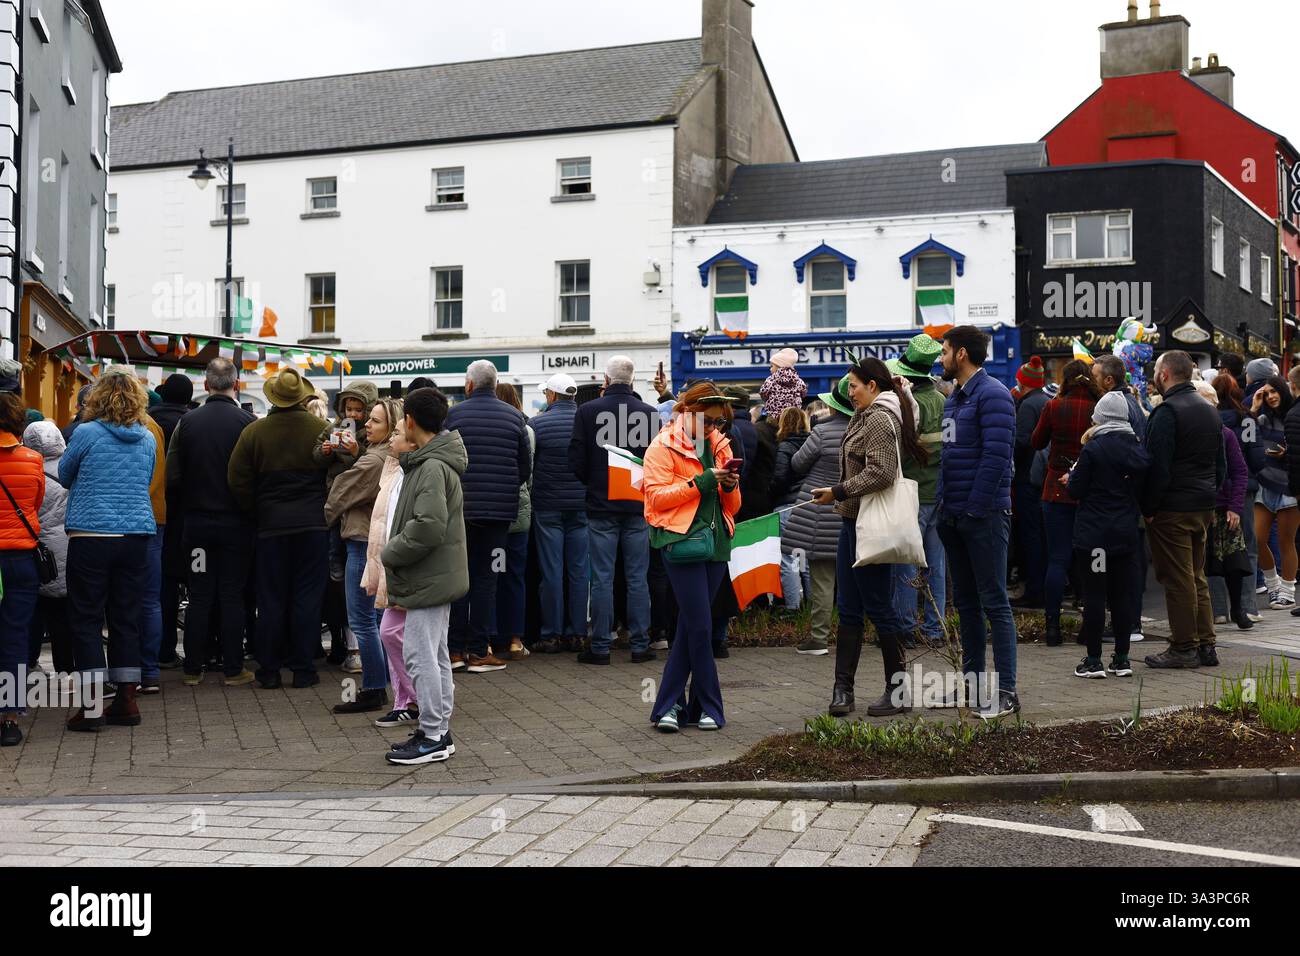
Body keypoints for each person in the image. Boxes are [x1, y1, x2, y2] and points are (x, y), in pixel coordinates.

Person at [812, 358, 924, 717]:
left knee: (877, 607)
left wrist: (838, 491)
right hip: (854, 525)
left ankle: (898, 691)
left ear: (873, 386)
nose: (850, 391)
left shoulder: (877, 418)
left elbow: (883, 473)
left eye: (854, 385)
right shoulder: (866, 414)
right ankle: (842, 689)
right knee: (849, 608)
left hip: (869, 526)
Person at [61, 370, 157, 731]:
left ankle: (90, 707)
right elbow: (146, 479)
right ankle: (127, 700)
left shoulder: (85, 433)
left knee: (86, 617)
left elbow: (66, 474)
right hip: (135, 536)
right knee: (126, 617)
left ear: (98, 397)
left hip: (91, 534)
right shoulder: (147, 438)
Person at [644, 382, 741, 732]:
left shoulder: (719, 445)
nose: (714, 427)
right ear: (687, 412)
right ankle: (711, 707)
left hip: (715, 544)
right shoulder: (661, 446)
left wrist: (729, 485)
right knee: (700, 626)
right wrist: (702, 482)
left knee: (690, 627)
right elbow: (655, 500)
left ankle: (671, 706)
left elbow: (734, 505)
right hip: (680, 542)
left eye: (718, 422)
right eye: (708, 420)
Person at [228, 367, 331, 689]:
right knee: (307, 598)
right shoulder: (321, 429)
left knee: (270, 599)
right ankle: (303, 669)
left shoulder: (255, 433)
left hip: (271, 526)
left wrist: (256, 511)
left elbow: (237, 480)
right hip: (313, 525)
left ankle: (268, 670)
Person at [381, 387, 469, 765]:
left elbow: (428, 526)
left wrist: (390, 551)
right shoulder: (431, 461)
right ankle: (437, 731)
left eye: (402, 418)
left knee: (420, 655)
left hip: (429, 576)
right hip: (435, 575)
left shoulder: (431, 466)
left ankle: (433, 735)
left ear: (411, 421)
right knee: (433, 654)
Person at [936, 326, 1019, 718]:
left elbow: (997, 457)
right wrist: (945, 507)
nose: (941, 358)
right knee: (967, 604)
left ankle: (1007, 692)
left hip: (983, 517)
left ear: (962, 354)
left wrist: (973, 509)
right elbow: (950, 457)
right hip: (954, 515)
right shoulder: (955, 399)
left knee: (995, 603)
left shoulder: (994, 395)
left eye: (945, 351)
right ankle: (971, 686)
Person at [167, 358, 257, 687]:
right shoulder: (248, 422)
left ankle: (193, 668)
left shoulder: (187, 423)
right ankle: (234, 669)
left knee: (200, 594)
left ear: (206, 385)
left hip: (198, 526)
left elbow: (172, 475)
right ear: (236, 384)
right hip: (236, 526)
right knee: (232, 593)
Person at [569, 356, 659, 663]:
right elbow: (657, 463)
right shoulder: (649, 414)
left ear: (605, 382)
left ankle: (601, 646)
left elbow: (576, 461)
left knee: (603, 578)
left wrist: (594, 482)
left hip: (601, 505)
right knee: (638, 577)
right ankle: (639, 645)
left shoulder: (587, 411)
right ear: (633, 381)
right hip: (637, 505)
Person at [443, 360, 530, 673]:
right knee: (487, 580)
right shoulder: (515, 417)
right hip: (499, 517)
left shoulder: (451, 416)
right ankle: (480, 651)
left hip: (459, 514)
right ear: (495, 385)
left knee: (458, 578)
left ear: (469, 385)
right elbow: (525, 467)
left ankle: (454, 651)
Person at [1141, 351, 1226, 669]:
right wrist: (1209, 493)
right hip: (1202, 503)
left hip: (1172, 507)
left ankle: (1183, 647)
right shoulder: (1209, 410)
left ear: (1164, 375)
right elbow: (1221, 465)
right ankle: (1206, 645)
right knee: (1196, 575)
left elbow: (1157, 468)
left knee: (1178, 579)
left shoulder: (1166, 412)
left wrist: (1149, 507)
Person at [1065, 391, 1151, 679]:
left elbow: (1076, 489)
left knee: (1094, 595)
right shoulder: (1136, 447)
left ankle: (1093, 660)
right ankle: (1123, 658)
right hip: (1124, 533)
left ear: (1101, 418)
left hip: (1094, 536)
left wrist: (1072, 475)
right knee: (1121, 595)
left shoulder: (1094, 448)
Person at [326, 396, 403, 713]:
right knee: (375, 617)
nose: (366, 424)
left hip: (361, 541)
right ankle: (384, 682)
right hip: (375, 540)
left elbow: (339, 493)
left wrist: (329, 512)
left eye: (374, 420)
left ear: (390, 427)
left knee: (362, 620)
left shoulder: (374, 460)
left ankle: (373, 688)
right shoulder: (390, 456)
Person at [1030, 359, 1099, 646]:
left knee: (1057, 559)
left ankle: (1053, 628)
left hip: (1056, 489)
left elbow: (1036, 442)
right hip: (1090, 489)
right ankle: (1088, 628)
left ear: (1065, 380)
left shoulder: (1053, 406)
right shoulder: (1099, 407)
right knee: (1089, 560)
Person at [783, 377, 852, 655]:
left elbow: (797, 463)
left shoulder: (822, 433)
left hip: (821, 514)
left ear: (834, 407)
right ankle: (856, 634)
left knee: (822, 579)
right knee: (856, 580)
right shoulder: (864, 430)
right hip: (853, 511)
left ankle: (819, 639)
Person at [886, 333, 946, 646]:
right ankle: (936, 631)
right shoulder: (943, 401)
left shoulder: (902, 404)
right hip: (938, 492)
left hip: (910, 494)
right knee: (936, 566)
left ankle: (905, 629)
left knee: (906, 565)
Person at [364, 411, 419, 728]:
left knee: (390, 631)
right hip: (389, 561)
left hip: (400, 565)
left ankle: (420, 699)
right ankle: (407, 701)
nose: (368, 425)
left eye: (395, 432)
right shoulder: (392, 467)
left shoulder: (410, 474)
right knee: (390, 630)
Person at [529, 373, 591, 655]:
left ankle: (551, 634)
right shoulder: (588, 423)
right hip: (582, 505)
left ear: (552, 396)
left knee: (551, 573)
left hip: (548, 505)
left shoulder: (537, 424)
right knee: (579, 572)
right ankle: (577, 633)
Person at [0, 393, 46, 746]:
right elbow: (34, 504)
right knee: (15, 638)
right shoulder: (33, 461)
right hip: (19, 559)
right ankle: (10, 716)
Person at [1194, 381, 1253, 635]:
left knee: (1234, 561)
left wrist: (1235, 507)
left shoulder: (1226, 434)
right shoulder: (1190, 433)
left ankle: (1239, 609)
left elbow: (1240, 471)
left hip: (1224, 506)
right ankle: (1215, 611)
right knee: (1204, 564)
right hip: (1198, 507)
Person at [22, 422, 73, 677]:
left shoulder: (27, 469)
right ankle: (67, 670)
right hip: (67, 548)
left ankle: (29, 663)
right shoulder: (71, 469)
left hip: (36, 550)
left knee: (33, 612)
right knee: (63, 616)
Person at [1210, 373, 1261, 625]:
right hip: (1244, 489)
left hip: (1212, 495)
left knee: (1212, 552)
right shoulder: (1246, 419)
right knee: (1245, 549)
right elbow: (1256, 458)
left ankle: (1219, 610)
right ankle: (1248, 606)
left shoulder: (1209, 422)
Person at [150, 374, 192, 669]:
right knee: (198, 582)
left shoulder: (147, 422)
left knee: (159, 587)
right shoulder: (192, 422)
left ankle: (161, 649)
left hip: (154, 512)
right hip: (189, 515)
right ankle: (200, 651)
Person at [1245, 375, 1297, 610]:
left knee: (1287, 541)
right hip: (1264, 484)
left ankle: (1287, 590)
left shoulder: (1293, 416)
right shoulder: (1261, 419)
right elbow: (1245, 438)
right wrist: (1253, 408)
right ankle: (1273, 585)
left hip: (1289, 487)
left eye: (1274, 391)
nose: (1271, 396)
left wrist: (1285, 455)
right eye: (1266, 394)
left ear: (1284, 390)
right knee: (1257, 538)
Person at [492, 382, 534, 661]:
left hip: (491, 517)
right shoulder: (525, 429)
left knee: (491, 575)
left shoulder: (490, 426)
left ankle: (492, 637)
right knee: (516, 577)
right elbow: (527, 471)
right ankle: (516, 639)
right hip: (519, 512)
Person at [1011, 356, 1049, 610]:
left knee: (1030, 536)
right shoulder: (1045, 401)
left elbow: (1022, 442)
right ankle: (1039, 586)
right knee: (1041, 536)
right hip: (1042, 478)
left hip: (1026, 479)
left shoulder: (1027, 406)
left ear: (1024, 383)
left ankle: (1034, 590)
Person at [136, 409, 169, 694]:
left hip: (121, 519)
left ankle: (126, 671)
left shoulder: (94, 429)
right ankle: (149, 671)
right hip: (153, 516)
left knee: (123, 599)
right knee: (149, 599)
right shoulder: (152, 428)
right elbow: (160, 473)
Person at [770, 406, 811, 610]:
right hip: (807, 505)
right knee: (804, 557)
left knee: (788, 558)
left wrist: (771, 494)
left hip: (787, 507)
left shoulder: (785, 447)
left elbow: (780, 478)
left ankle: (794, 607)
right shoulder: (813, 444)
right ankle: (813, 607)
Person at [760, 349, 808, 421]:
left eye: (772, 366)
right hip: (794, 416)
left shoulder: (771, 380)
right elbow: (803, 394)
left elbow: (763, 394)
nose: (770, 369)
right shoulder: (799, 381)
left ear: (779, 366)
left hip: (774, 416)